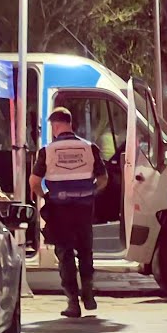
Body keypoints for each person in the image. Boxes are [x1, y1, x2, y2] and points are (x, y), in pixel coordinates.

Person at [30, 108, 108, 318]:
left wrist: (45, 195)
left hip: (59, 209)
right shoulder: (89, 148)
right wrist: (91, 192)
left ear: (55, 126)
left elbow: (34, 182)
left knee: (65, 254)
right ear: (69, 123)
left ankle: (73, 302)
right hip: (84, 208)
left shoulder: (48, 151)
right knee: (85, 250)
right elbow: (103, 179)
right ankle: (89, 292)